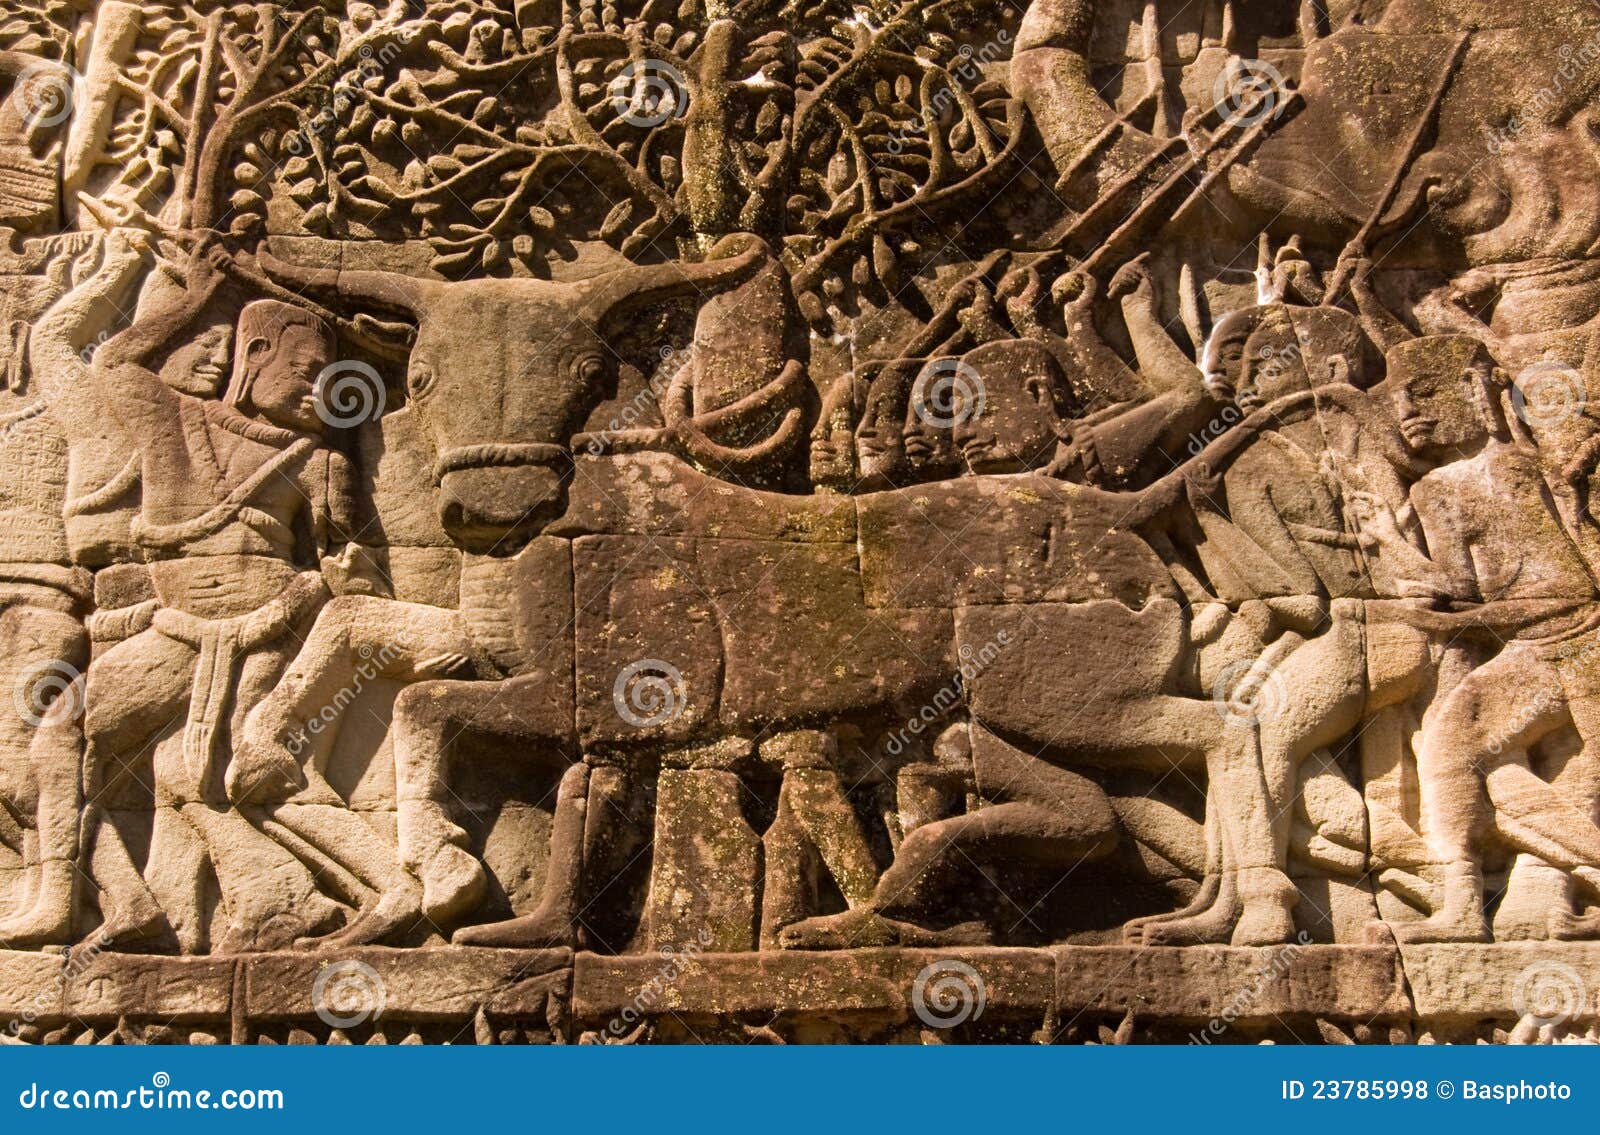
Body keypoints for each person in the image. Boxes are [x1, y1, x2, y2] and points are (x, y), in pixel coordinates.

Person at [1346, 335, 1600, 942]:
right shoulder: (1439, 488)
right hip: (1539, 646)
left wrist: (1444, 615)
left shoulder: (1515, 468)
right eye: (1398, 398)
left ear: (1475, 389)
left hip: (1570, 643)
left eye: (1425, 391)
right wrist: (1390, 540)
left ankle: (1475, 903)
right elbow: (1459, 585)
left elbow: (1568, 590)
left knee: (1456, 749)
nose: (1407, 409)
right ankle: (1473, 903)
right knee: (1459, 751)